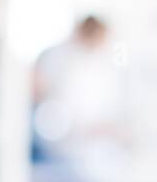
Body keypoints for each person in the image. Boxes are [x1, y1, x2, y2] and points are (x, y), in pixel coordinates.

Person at [30, 14, 129, 171]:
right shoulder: (56, 57)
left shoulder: (101, 67)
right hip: (52, 152)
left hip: (86, 156)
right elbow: (44, 103)